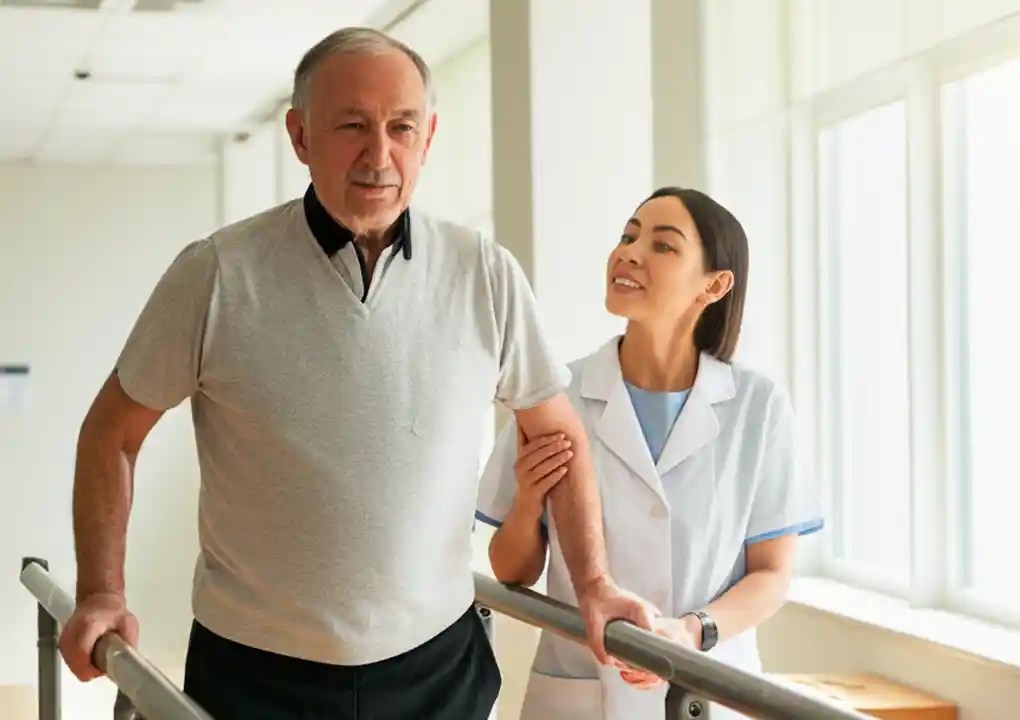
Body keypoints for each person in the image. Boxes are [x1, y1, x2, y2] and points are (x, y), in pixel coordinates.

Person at [57, 26, 650, 719]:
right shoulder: (217, 273)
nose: (379, 154)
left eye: (401, 127)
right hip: (256, 673)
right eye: (351, 126)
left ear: (427, 138)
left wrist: (595, 584)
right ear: (300, 136)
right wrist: (102, 591)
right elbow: (112, 433)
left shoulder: (484, 273)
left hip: (437, 668)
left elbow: (561, 436)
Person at [477, 187, 824, 719]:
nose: (629, 252)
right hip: (582, 691)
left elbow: (772, 575)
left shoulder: (758, 407)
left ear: (714, 284)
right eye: (628, 235)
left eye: (663, 245)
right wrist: (528, 503)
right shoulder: (559, 397)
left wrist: (692, 632)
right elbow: (511, 568)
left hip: (709, 687)